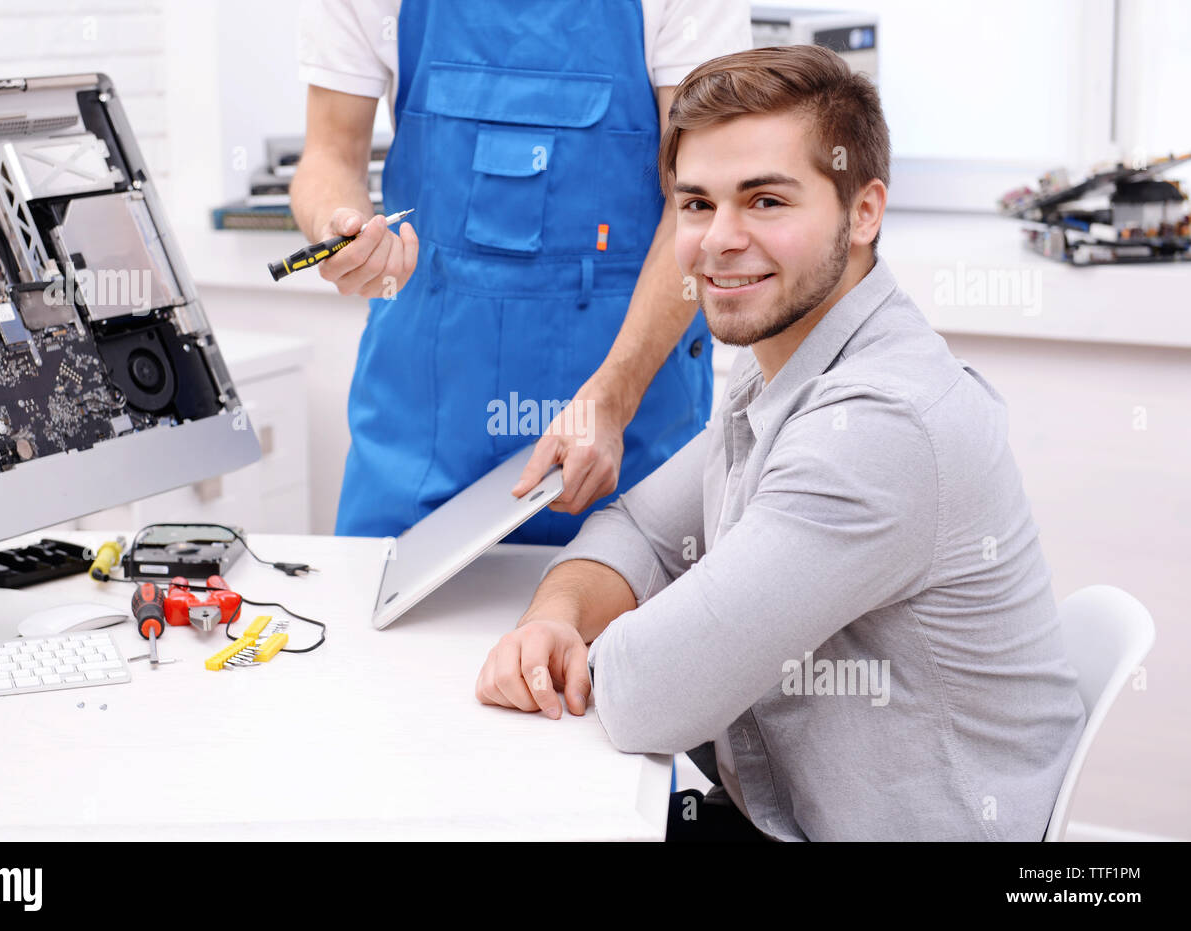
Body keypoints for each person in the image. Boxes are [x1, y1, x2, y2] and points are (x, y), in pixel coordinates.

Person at [473, 45, 1088, 841]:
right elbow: (640, 529)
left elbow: (650, 692)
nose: (720, 240)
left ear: (864, 211)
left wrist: (610, 643)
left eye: (765, 201)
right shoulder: (781, 369)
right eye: (696, 203)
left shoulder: (877, 424)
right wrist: (552, 621)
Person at [292, 0, 752, 543]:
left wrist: (613, 399)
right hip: (417, 427)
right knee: (380, 618)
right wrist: (338, 228)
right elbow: (328, 156)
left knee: (619, 611)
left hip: (626, 430)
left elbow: (700, 201)